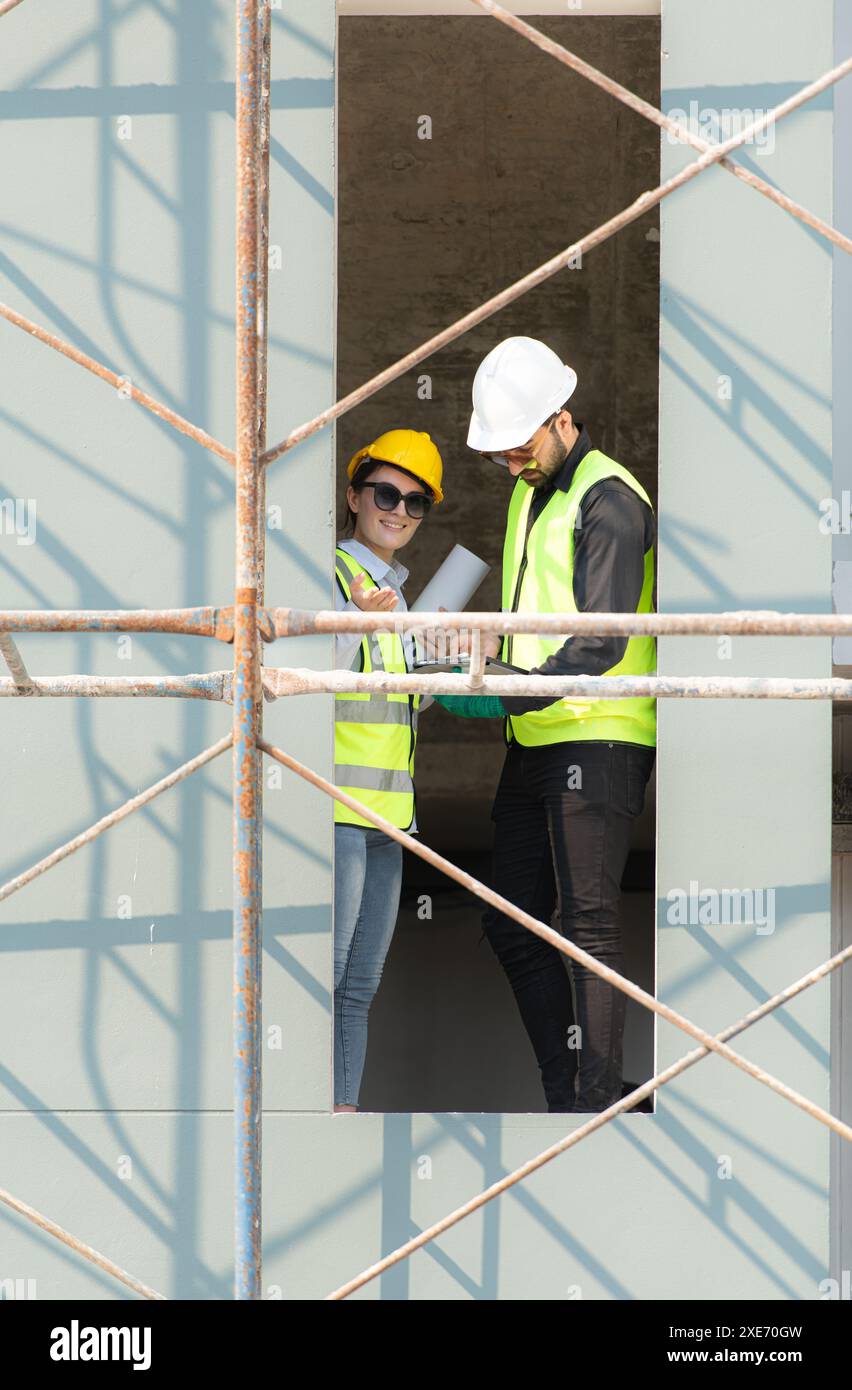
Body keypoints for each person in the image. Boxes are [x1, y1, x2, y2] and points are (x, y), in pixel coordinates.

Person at [465, 335, 657, 1114]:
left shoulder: (610, 500)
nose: (513, 466)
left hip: (599, 731)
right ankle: (577, 1088)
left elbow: (601, 641)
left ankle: (596, 1100)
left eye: (520, 450)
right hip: (536, 733)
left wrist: (514, 689)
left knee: (587, 923)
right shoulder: (531, 488)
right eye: (503, 456)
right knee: (510, 918)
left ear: (560, 418)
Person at [332, 429, 444, 1113]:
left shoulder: (397, 596)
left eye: (414, 502)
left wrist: (439, 659)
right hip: (338, 809)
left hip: (390, 819)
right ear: (354, 497)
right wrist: (356, 621)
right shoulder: (334, 577)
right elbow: (316, 672)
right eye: (385, 494)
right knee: (325, 976)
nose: (398, 510)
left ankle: (343, 1111)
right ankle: (302, 1114)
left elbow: (404, 699)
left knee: (359, 985)